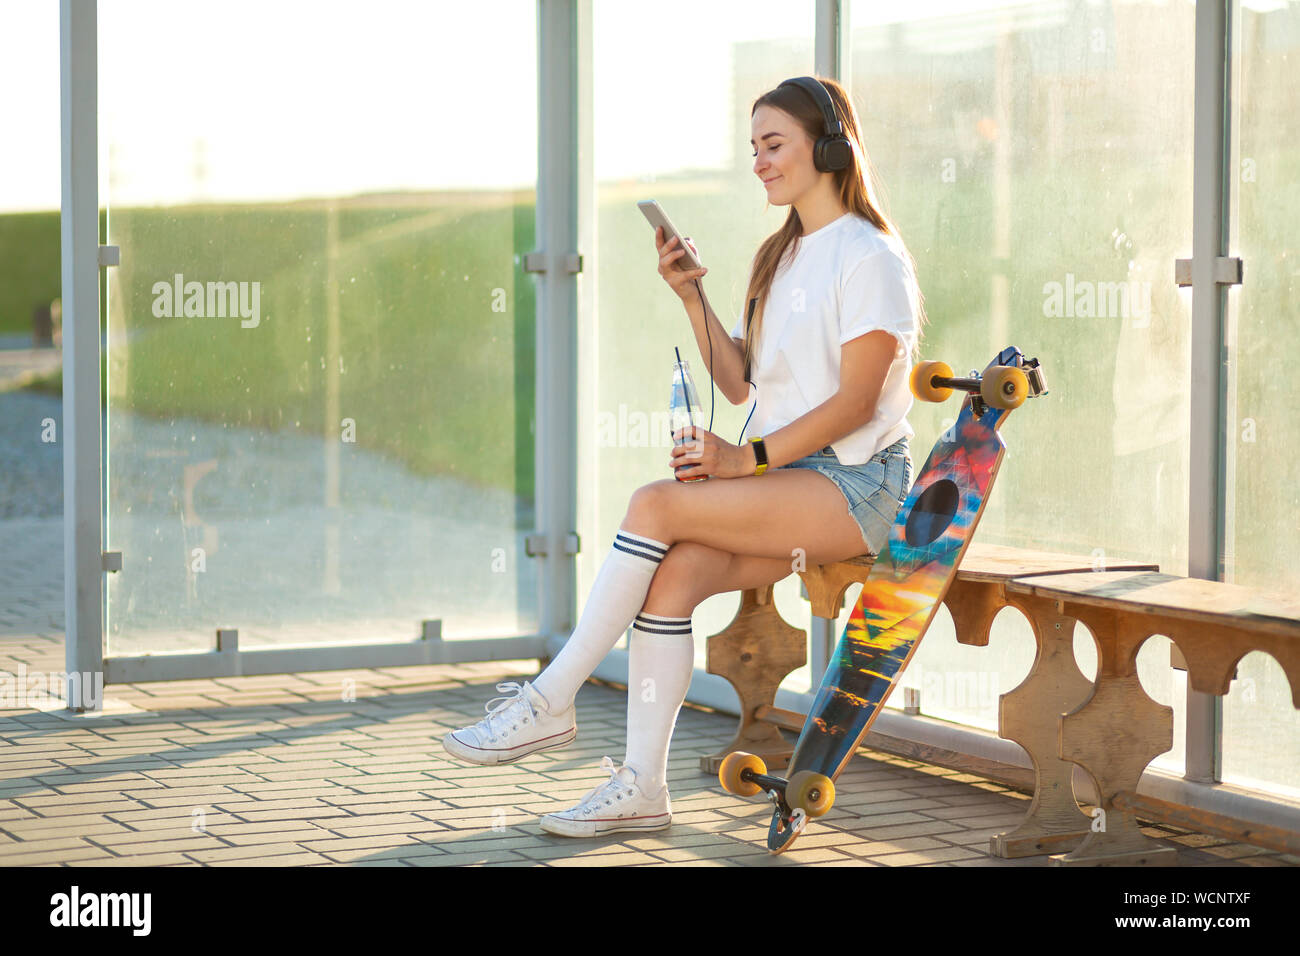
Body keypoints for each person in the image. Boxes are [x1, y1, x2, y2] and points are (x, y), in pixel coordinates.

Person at [441, 75, 925, 838]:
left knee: (654, 503)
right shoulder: (782, 256)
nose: (759, 163)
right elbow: (738, 383)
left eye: (774, 145)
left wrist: (746, 461)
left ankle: (550, 700)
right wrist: (690, 297)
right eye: (753, 148)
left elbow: (858, 403)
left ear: (830, 148)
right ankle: (642, 786)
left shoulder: (870, 258)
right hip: (792, 481)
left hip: (859, 484)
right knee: (674, 575)